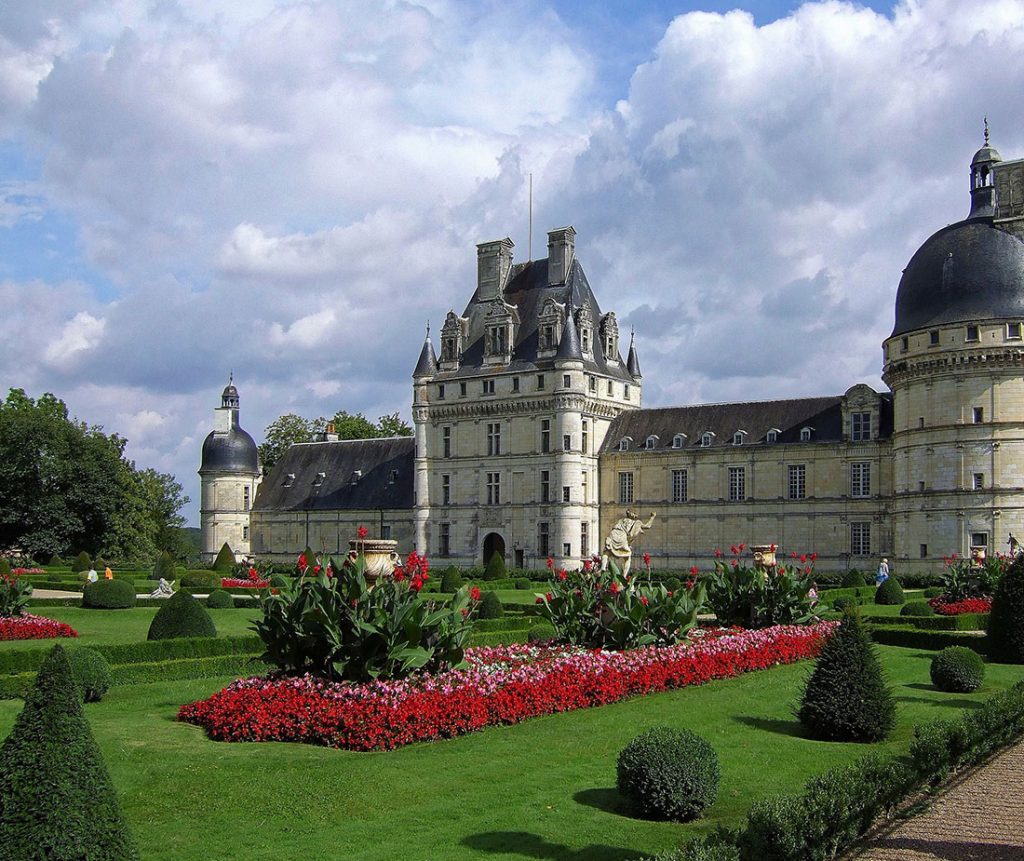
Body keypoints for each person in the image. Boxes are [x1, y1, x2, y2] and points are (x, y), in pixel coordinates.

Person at [600, 509, 657, 578]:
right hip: (622, 536)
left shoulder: (621, 520)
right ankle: (624, 577)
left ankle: (603, 567)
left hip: (614, 533)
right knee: (627, 557)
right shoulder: (637, 522)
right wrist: (652, 517)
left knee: (606, 551)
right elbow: (647, 526)